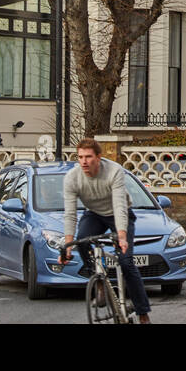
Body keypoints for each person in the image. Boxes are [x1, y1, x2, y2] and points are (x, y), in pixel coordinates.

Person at [57, 138, 151, 324]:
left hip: (120, 214)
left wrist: (122, 237)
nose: (84, 161)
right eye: (80, 157)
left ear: (98, 158)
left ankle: (142, 313)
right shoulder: (72, 178)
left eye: (89, 157)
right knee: (81, 241)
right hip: (94, 214)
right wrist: (67, 246)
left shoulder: (114, 171)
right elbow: (70, 214)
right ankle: (98, 281)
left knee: (126, 262)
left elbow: (119, 205)